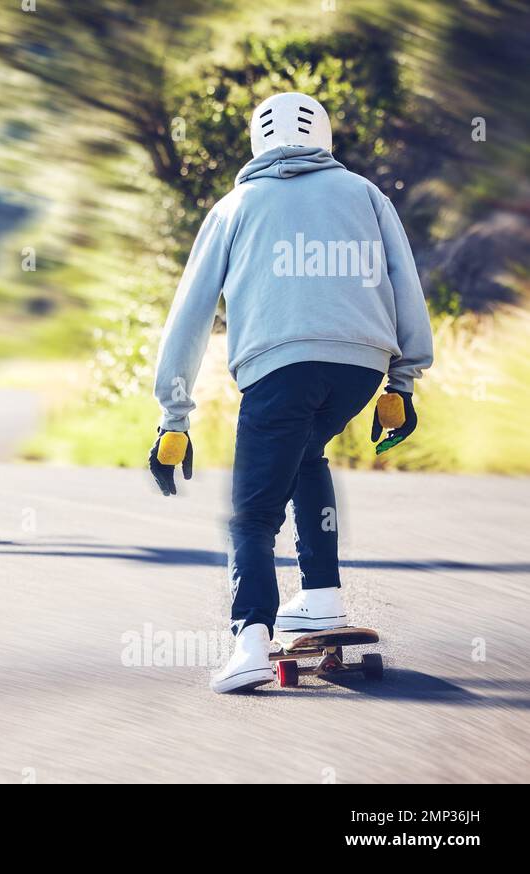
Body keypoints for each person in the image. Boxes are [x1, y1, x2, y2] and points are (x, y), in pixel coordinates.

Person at [148, 93, 434, 693]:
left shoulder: (236, 206)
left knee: (251, 514)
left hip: (279, 371)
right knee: (307, 455)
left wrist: (173, 416)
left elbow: (189, 317)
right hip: (359, 372)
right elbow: (406, 282)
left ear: (256, 140)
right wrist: (403, 382)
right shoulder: (366, 195)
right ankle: (322, 594)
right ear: (323, 137)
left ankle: (250, 639)